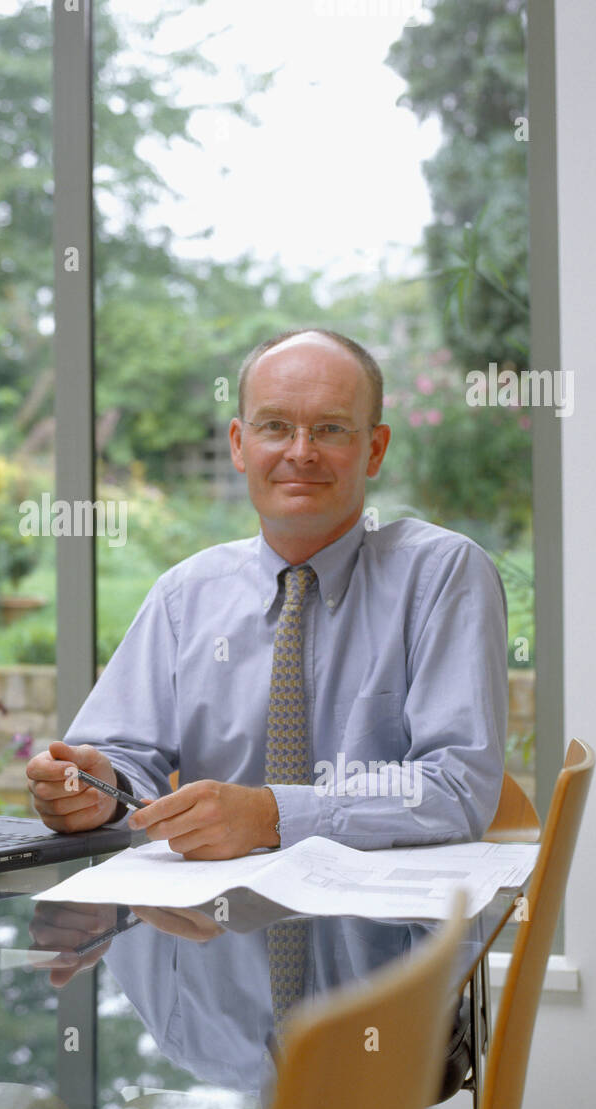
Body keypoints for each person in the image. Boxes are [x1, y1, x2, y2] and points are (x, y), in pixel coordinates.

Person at [26, 328, 508, 857]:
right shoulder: (185, 596)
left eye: (331, 428)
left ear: (374, 449)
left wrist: (274, 818)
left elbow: (457, 789)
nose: (301, 453)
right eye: (276, 426)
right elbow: (122, 757)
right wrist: (103, 795)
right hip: (214, 925)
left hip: (393, 931)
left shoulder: (441, 576)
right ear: (239, 444)